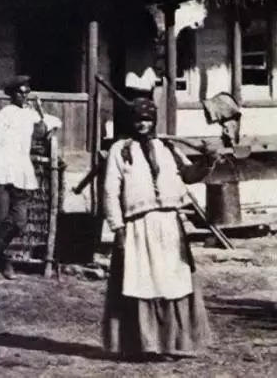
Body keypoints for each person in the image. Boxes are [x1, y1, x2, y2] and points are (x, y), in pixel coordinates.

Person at [102, 98, 216, 361]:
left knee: (172, 282)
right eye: (138, 119)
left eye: (148, 119)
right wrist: (117, 227)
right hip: (138, 225)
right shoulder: (120, 150)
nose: (143, 124)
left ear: (154, 121)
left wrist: (207, 162)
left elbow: (188, 175)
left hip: (169, 224)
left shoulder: (167, 147)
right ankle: (145, 344)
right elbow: (110, 192)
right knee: (143, 282)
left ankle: (173, 343)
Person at [0, 75, 62, 280]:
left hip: (20, 170)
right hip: (2, 170)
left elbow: (45, 129)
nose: (24, 96)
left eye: (27, 92)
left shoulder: (30, 114)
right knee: (1, 218)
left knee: (19, 222)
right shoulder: (4, 115)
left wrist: (41, 114)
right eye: (20, 92)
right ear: (12, 94)